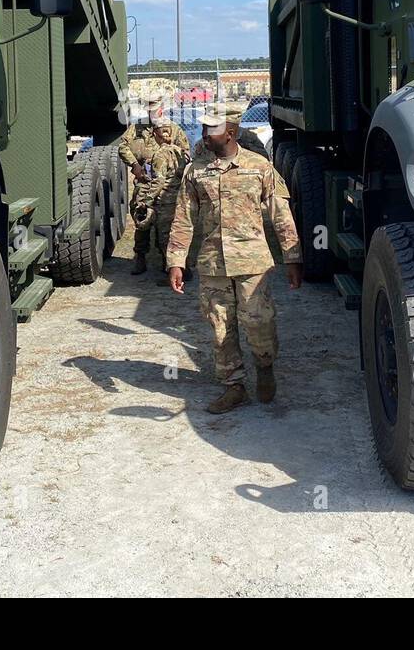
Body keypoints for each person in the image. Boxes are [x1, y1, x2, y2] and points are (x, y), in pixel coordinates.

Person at [165, 102, 302, 414]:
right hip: (213, 262)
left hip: (252, 262)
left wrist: (293, 258)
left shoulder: (259, 167)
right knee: (220, 326)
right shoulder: (196, 171)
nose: (203, 134)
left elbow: (281, 215)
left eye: (211, 129)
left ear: (231, 133)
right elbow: (183, 218)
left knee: (259, 322)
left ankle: (264, 368)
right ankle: (234, 385)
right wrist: (176, 260)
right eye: (203, 128)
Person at [119, 96, 189, 275]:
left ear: (162, 109)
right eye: (149, 110)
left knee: (167, 223)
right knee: (141, 219)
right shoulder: (137, 128)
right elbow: (123, 147)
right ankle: (140, 257)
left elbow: (186, 154)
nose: (153, 113)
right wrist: (134, 165)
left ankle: (169, 262)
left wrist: (173, 166)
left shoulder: (173, 129)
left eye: (156, 109)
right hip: (145, 181)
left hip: (166, 185)